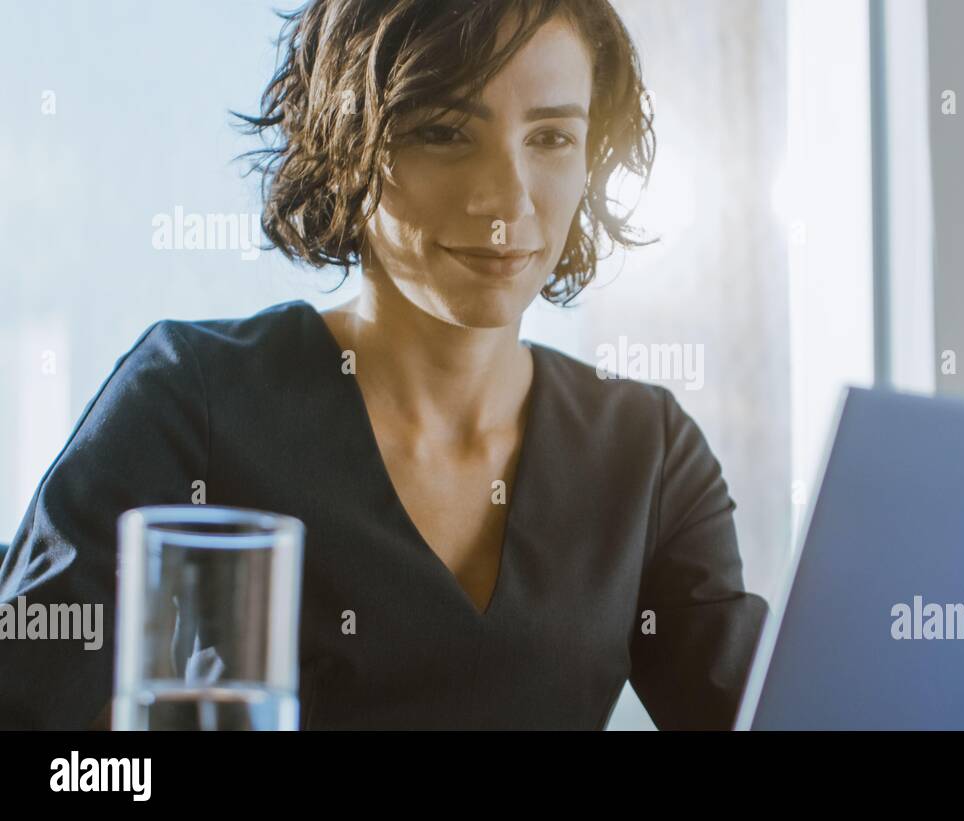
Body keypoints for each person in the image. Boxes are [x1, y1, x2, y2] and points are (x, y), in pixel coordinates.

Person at [0, 0, 768, 730]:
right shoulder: (191, 398)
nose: (507, 197)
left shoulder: (646, 451)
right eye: (444, 132)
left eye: (551, 138)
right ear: (348, 143)